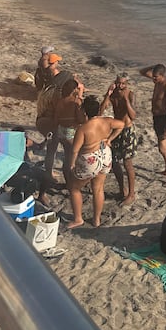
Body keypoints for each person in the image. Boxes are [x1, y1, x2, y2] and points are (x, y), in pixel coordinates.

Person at [67, 95, 125, 229]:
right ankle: (96, 220)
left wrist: (72, 164)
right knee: (98, 189)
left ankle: (78, 219)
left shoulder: (83, 129)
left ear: (84, 111)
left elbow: (75, 150)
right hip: (105, 154)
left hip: (90, 159)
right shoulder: (106, 121)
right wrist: (110, 139)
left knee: (74, 188)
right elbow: (121, 125)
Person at [100, 74, 138, 205]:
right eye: (118, 83)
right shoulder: (113, 94)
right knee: (115, 161)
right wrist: (107, 94)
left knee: (128, 163)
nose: (120, 86)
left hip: (127, 130)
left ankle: (131, 194)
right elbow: (101, 110)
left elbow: (133, 116)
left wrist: (126, 100)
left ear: (127, 83)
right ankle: (122, 189)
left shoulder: (130, 94)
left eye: (123, 84)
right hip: (117, 129)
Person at [140, 63, 166, 183]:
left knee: (163, 149)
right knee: (165, 147)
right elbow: (142, 72)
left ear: (162, 75)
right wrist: (153, 66)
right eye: (153, 76)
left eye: (156, 77)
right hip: (156, 117)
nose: (153, 79)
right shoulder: (157, 82)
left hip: (164, 118)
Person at [53, 77, 86, 185]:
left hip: (61, 131)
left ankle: (68, 182)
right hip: (72, 131)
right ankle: (74, 183)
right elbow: (80, 119)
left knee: (67, 157)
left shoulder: (60, 102)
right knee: (75, 158)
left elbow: (56, 119)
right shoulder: (76, 102)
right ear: (74, 90)